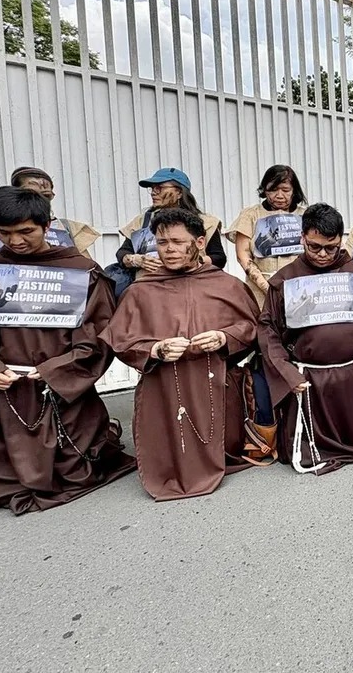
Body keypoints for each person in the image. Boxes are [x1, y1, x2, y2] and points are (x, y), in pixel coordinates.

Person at [0, 187, 134, 514]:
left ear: (47, 227)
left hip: (56, 386)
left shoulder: (82, 272)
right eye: (2, 232)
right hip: (1, 383)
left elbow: (100, 333)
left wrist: (54, 370)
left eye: (25, 232)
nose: (15, 241)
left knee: (75, 465)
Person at [102, 208, 260, 501]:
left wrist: (225, 337)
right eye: (162, 243)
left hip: (214, 382)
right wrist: (155, 349)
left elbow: (251, 327)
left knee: (221, 441)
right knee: (168, 447)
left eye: (177, 241)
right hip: (162, 385)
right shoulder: (141, 291)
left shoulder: (225, 284)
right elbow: (121, 339)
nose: (169, 250)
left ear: (200, 243)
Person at [258, 203, 353, 473]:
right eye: (314, 246)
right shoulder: (284, 281)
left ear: (341, 241)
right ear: (302, 239)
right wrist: (286, 372)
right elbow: (268, 332)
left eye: (330, 248)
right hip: (309, 380)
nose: (322, 254)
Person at [111, 168, 227, 296]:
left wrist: (187, 260)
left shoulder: (206, 222)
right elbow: (122, 253)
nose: (154, 193)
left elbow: (219, 258)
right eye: (152, 188)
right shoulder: (142, 221)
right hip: (147, 292)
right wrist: (136, 260)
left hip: (192, 291)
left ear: (179, 192)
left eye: (160, 188)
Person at [0, 167, 100, 261]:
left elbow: (85, 271)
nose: (16, 241)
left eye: (46, 196)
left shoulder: (70, 228)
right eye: (31, 194)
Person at [226, 164, 309, 306]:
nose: (279, 195)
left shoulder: (306, 215)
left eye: (285, 190)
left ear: (294, 191)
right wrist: (266, 288)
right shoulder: (250, 215)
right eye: (273, 190)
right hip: (260, 291)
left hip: (302, 290)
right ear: (264, 190)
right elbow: (243, 255)